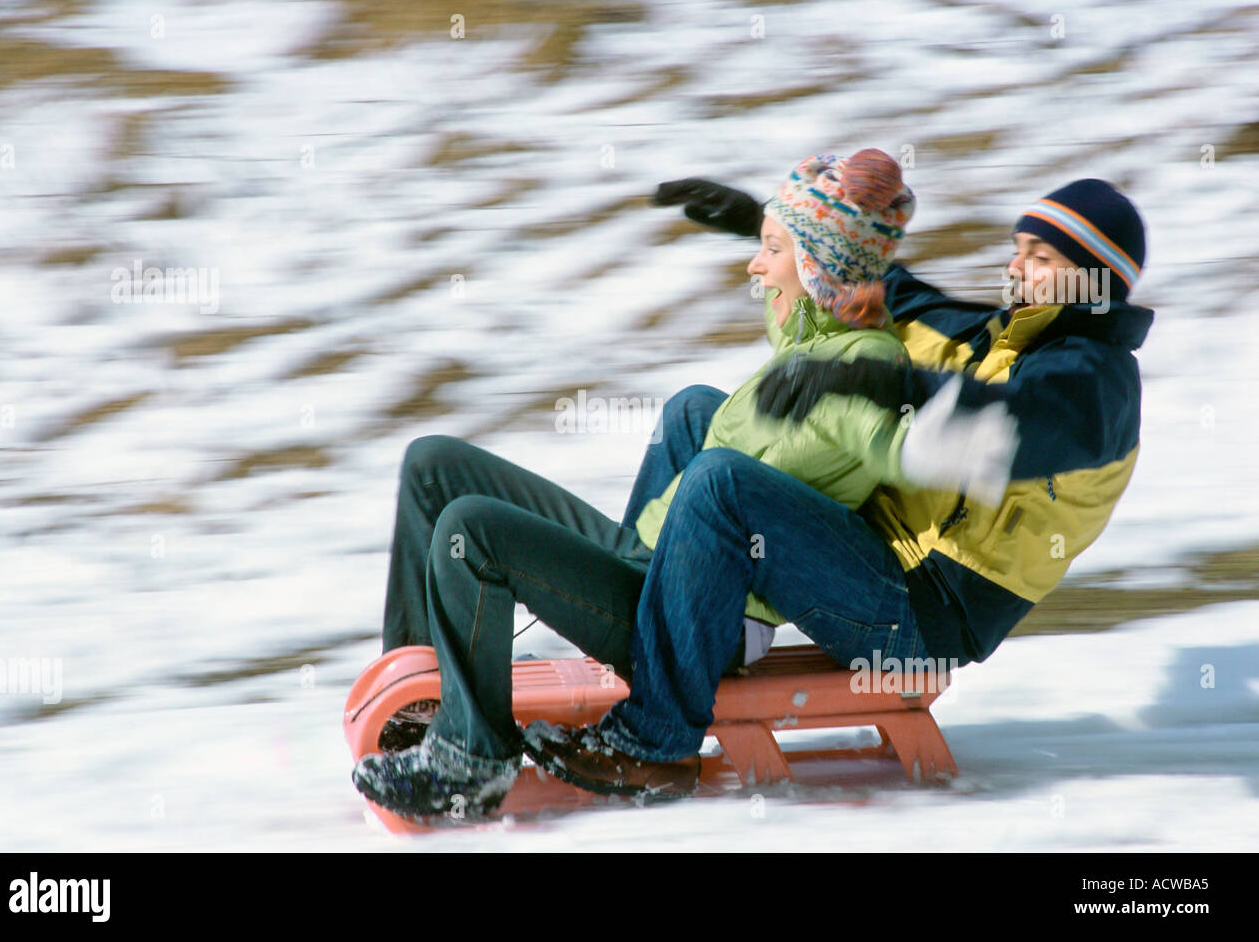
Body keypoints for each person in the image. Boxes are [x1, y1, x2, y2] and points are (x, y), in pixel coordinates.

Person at [525, 177, 1154, 799]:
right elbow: (880, 282)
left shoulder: (1096, 389)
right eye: (1019, 248)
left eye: (1041, 259)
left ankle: (651, 747)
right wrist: (771, 228)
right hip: (871, 559)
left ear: (1093, 278)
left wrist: (879, 384)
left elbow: (1008, 423)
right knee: (696, 414)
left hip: (922, 622)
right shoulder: (991, 334)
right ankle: (640, 621)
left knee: (724, 486)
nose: (1016, 267)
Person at [351, 149, 922, 820]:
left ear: (818, 271)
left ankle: (471, 762)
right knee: (433, 464)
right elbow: (835, 265)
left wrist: (965, 441)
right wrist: (767, 226)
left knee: (470, 532)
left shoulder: (863, 367)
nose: (753, 265)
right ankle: (423, 710)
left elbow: (891, 442)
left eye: (771, 251)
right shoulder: (810, 338)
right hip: (651, 565)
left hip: (692, 619)